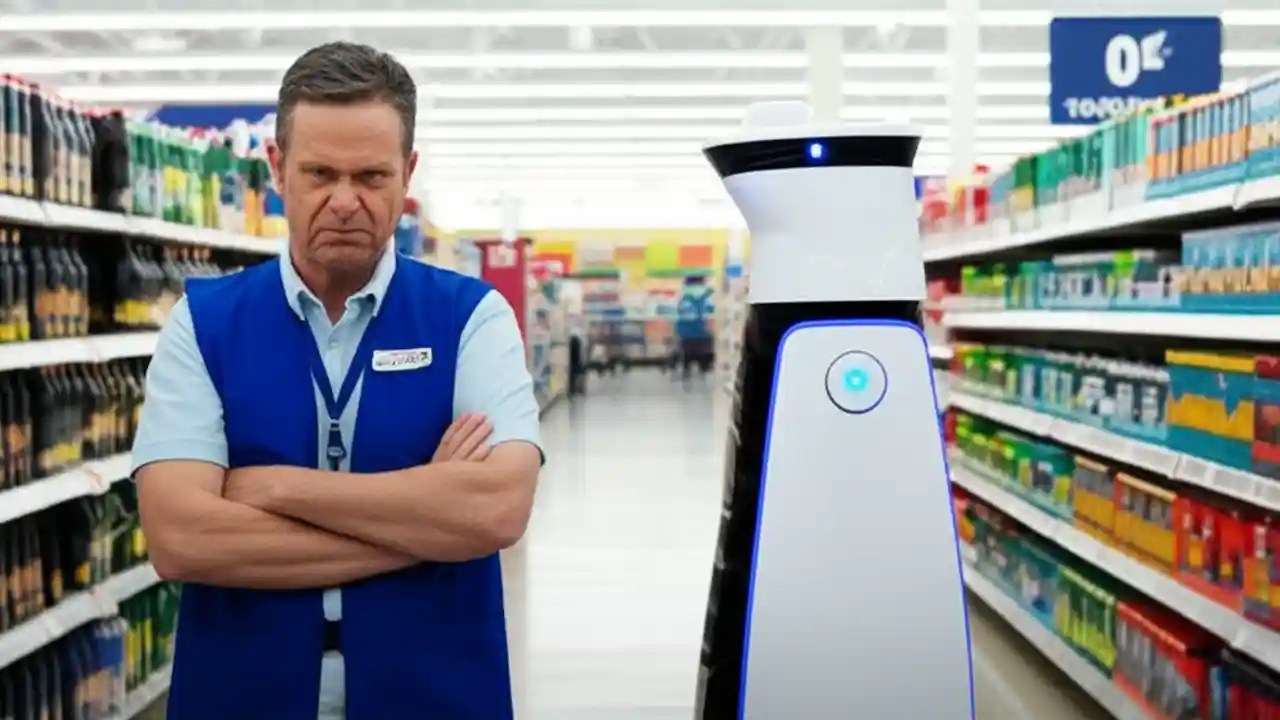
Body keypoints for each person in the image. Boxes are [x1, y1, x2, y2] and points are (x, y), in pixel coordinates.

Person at [131, 42, 543, 720]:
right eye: (320, 173)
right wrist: (424, 523)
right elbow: (181, 539)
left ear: (408, 174)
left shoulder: (472, 317)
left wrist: (275, 488)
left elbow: (495, 509)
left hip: (434, 693)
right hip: (242, 694)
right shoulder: (203, 324)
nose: (345, 202)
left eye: (372, 177)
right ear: (277, 168)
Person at [674, 274, 716, 380]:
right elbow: (709, 311)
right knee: (702, 350)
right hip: (701, 329)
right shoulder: (706, 295)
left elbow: (680, 311)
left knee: (687, 352)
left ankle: (687, 370)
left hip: (686, 330)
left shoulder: (684, 295)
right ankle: (702, 369)